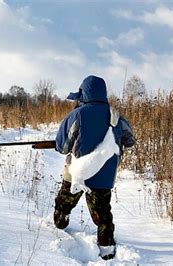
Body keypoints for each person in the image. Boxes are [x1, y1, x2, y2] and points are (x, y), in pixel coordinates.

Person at [54, 75, 136, 260]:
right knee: (103, 214)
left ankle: (60, 223)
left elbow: (62, 147)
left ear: (83, 93)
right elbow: (130, 139)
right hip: (104, 177)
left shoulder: (77, 114)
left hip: (77, 173)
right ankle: (107, 250)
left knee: (64, 202)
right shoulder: (115, 116)